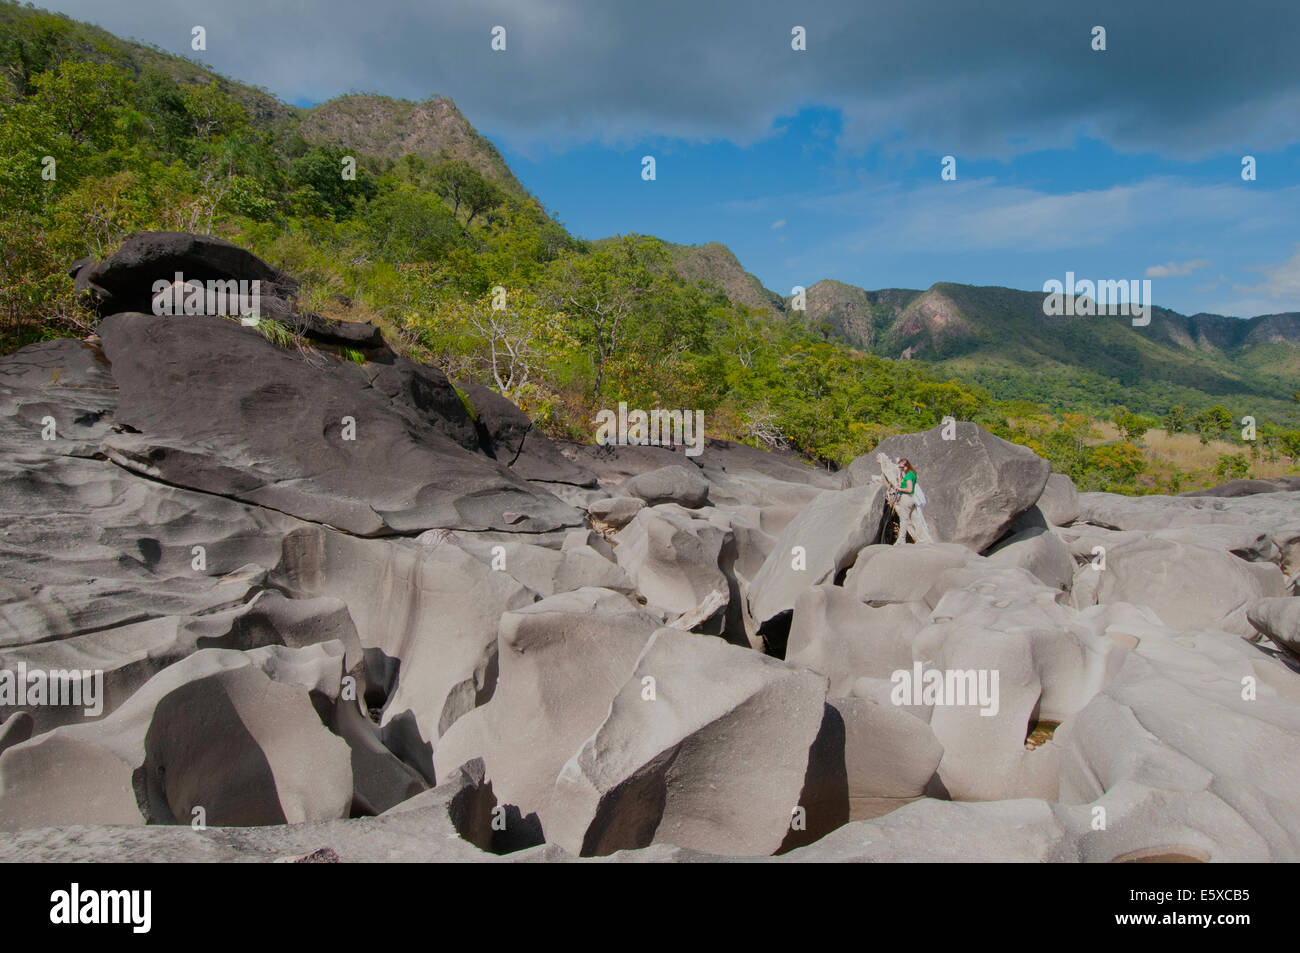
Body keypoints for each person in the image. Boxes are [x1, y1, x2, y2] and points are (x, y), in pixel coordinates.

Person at [892, 457, 934, 545]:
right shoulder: (912, 474)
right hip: (912, 499)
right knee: (916, 519)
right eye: (900, 467)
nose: (901, 469)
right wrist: (902, 484)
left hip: (907, 498)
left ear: (907, 466)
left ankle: (901, 540)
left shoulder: (908, 475)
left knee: (904, 519)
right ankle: (922, 538)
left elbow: (909, 489)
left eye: (902, 467)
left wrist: (899, 488)